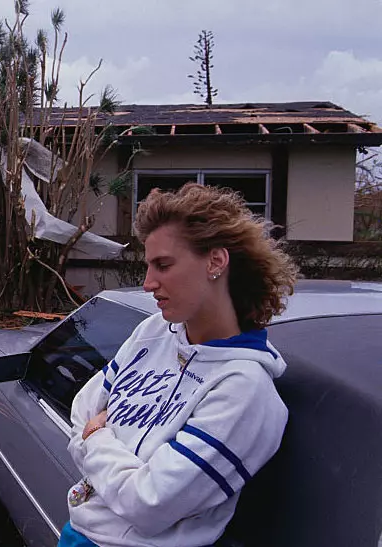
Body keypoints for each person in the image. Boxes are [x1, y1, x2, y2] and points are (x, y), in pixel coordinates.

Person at [59, 183, 298, 547]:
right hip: (76, 533)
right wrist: (112, 461)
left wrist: (95, 439)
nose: (148, 283)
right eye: (148, 265)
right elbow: (82, 406)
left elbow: (149, 504)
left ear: (216, 262)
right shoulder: (155, 331)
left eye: (164, 265)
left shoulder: (245, 390)